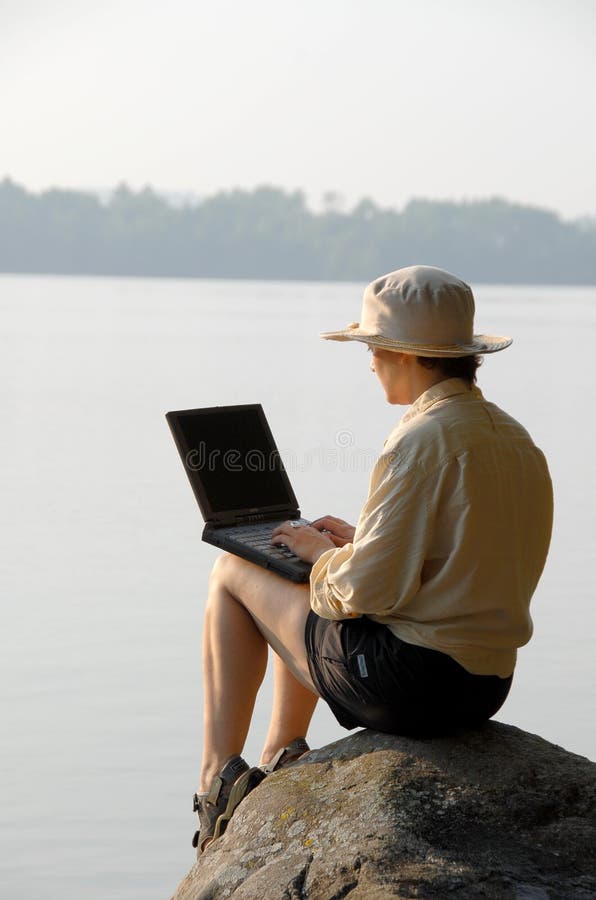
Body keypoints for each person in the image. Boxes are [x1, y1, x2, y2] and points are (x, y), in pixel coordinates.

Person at [191, 264, 553, 855]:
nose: (369, 361)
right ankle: (282, 755)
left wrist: (320, 559)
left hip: (411, 684)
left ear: (405, 354)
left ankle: (214, 781)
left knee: (235, 571)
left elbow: (365, 594)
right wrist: (358, 545)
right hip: (486, 682)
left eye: (373, 347)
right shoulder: (515, 440)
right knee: (304, 572)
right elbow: (466, 556)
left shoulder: (418, 439)